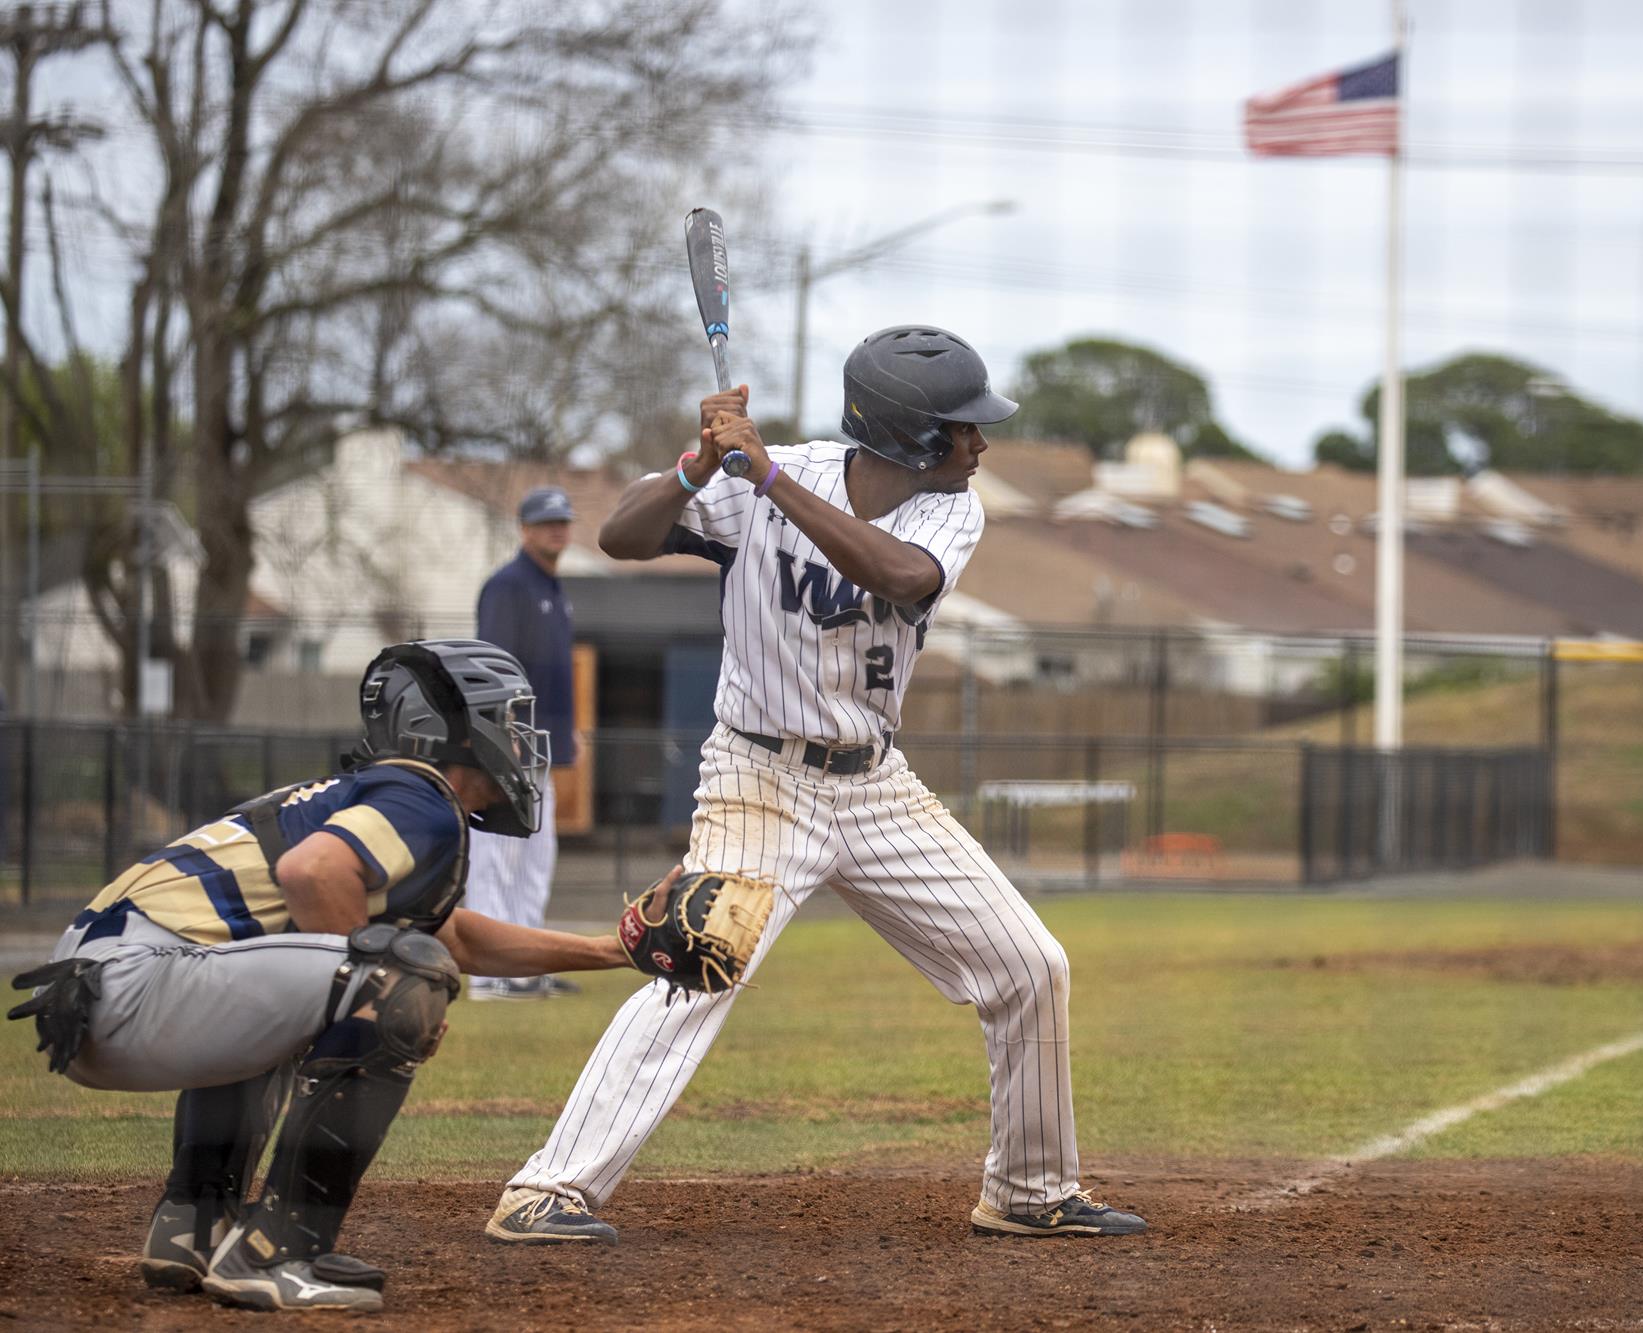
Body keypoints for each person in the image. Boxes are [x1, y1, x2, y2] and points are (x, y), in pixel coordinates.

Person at [482, 325, 1148, 1244]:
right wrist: (698, 464)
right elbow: (620, 535)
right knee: (701, 962)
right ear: (912, 436)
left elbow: (899, 575)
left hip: (875, 785)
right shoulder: (765, 470)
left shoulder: (945, 509)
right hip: (758, 777)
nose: (981, 443)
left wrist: (765, 482)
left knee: (1030, 967)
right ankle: (547, 1189)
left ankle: (1028, 1190)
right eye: (963, 429)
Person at [6, 640, 648, 1312]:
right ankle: (278, 1252)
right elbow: (312, 873)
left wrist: (614, 949)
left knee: (345, 974)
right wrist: (370, 990)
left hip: (100, 993)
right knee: (398, 985)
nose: (521, 740)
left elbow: (454, 935)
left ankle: (195, 1225)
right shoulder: (422, 794)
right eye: (508, 718)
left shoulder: (373, 795)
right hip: (137, 985)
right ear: (454, 728)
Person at [466, 486, 579, 1000]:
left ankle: (523, 968)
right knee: (497, 861)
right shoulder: (508, 586)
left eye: (563, 521)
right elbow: (492, 669)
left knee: (536, 860)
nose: (557, 529)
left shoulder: (554, 589)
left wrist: (568, 731)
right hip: (507, 748)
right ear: (525, 528)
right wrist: (498, 734)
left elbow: (554, 674)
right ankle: (490, 974)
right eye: (546, 521)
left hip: (542, 745)